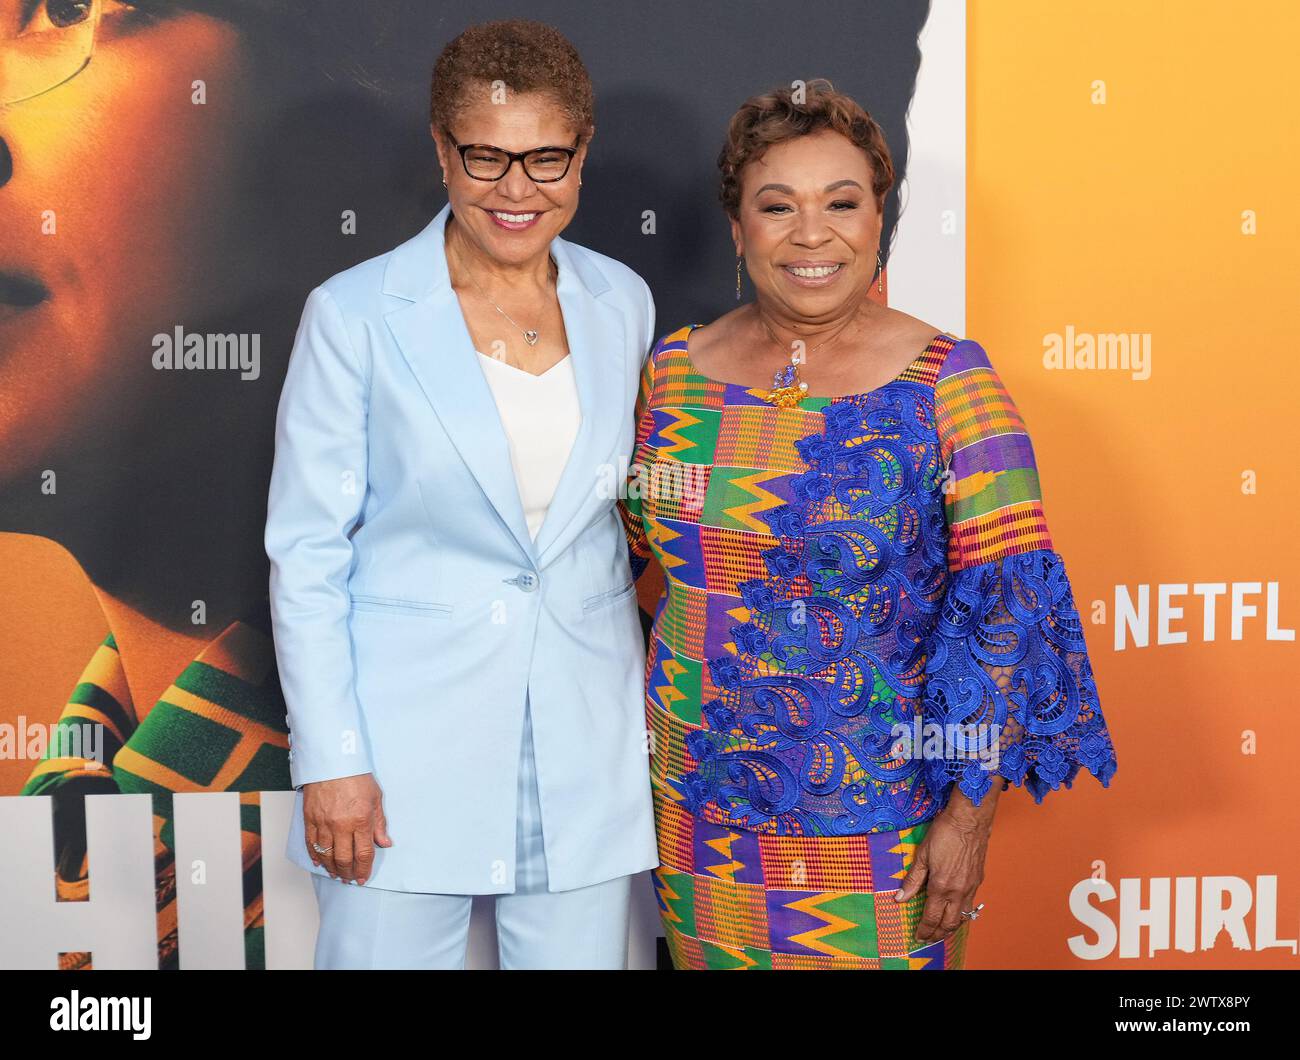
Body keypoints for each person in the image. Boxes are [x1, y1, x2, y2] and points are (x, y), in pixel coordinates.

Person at [619, 79, 1118, 970]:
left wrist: (968, 819)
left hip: (881, 820)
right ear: (739, 228)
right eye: (778, 206)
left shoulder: (950, 386)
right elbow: (617, 561)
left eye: (841, 204)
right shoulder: (671, 375)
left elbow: (1008, 617)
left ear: (878, 221)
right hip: (694, 809)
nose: (813, 234)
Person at [265, 19, 658, 970]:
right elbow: (308, 551)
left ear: (582, 154)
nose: (515, 190)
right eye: (486, 157)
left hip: (583, 741)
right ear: (442, 151)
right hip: (400, 753)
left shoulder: (623, 302)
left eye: (544, 159)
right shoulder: (354, 313)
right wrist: (333, 759)